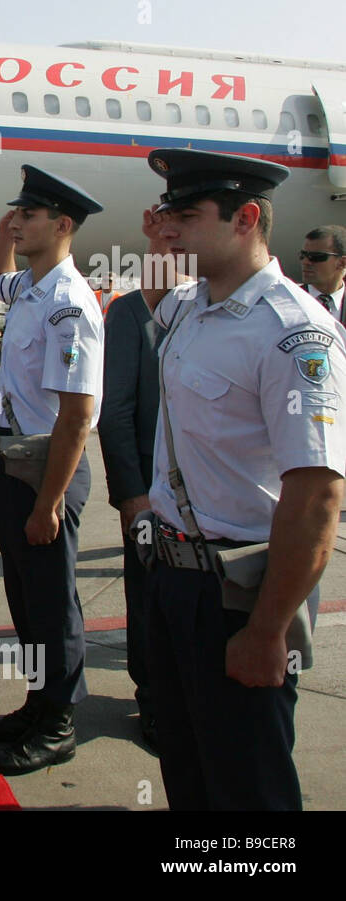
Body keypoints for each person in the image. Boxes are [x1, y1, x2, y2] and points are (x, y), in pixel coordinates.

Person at [140, 148, 345, 809]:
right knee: (188, 764)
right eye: (166, 213)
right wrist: (159, 243)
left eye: (185, 214)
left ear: (246, 217)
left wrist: (267, 629)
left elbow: (316, 495)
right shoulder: (194, 305)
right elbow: (152, 299)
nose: (168, 227)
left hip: (239, 594)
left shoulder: (293, 333)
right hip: (171, 576)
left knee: (248, 785)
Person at [0, 164, 104, 775]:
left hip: (46, 470)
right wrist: (3, 233)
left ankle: (58, 724)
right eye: (16, 214)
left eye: (28, 216)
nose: (18, 223)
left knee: (53, 602)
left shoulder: (68, 303)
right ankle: (37, 701)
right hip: (13, 460)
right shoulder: (28, 286)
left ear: (63, 224)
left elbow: (78, 416)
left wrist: (50, 502)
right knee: (25, 597)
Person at [96, 231, 177, 748]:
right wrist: (131, 495)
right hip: (152, 497)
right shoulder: (130, 316)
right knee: (149, 602)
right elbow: (116, 411)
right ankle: (154, 700)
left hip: (216, 508)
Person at [299, 224, 346, 322]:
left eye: (316, 256)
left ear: (342, 263)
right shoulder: (286, 300)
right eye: (303, 255)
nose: (305, 262)